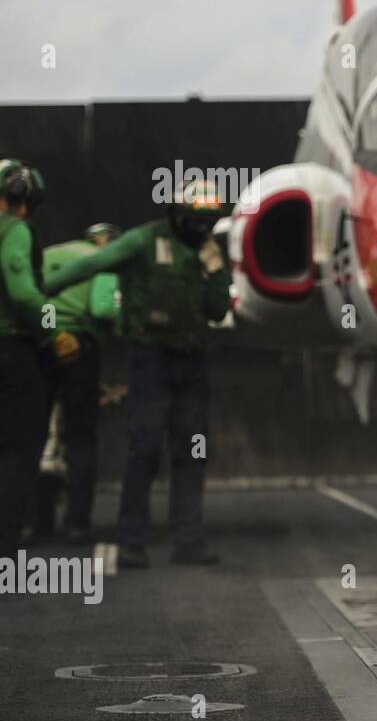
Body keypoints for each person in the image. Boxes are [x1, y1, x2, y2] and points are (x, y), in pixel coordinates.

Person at [44, 180, 232, 567]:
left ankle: (189, 540)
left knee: (192, 450)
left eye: (208, 222)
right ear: (178, 214)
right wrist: (41, 288)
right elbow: (90, 264)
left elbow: (216, 311)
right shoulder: (143, 242)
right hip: (151, 359)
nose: (201, 229)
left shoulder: (207, 253)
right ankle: (132, 542)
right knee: (144, 448)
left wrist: (216, 271)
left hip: (192, 361)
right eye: (196, 220)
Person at [0, 160, 79, 558]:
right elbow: (25, 295)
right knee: (18, 451)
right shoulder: (14, 230)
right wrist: (55, 331)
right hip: (12, 353)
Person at [35, 223, 122, 543]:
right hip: (77, 350)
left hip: (38, 345)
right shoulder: (104, 262)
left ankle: (33, 522)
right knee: (81, 437)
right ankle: (77, 523)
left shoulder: (48, 254)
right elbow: (102, 308)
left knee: (32, 435)